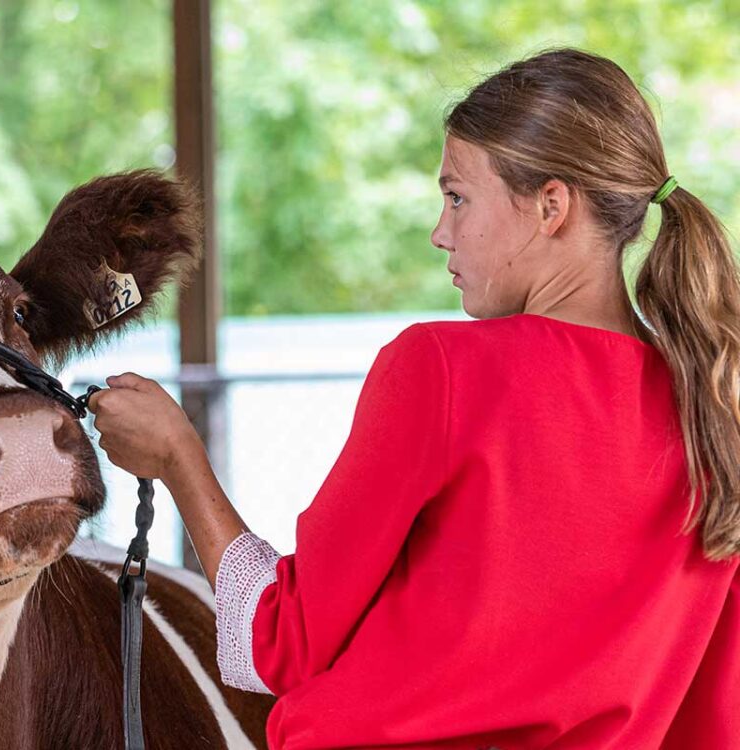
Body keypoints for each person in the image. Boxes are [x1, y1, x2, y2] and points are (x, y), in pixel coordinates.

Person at [87, 48, 739, 749]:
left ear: (552, 206)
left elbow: (273, 643)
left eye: (457, 197)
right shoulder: (715, 408)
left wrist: (178, 455)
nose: (440, 232)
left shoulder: (443, 370)